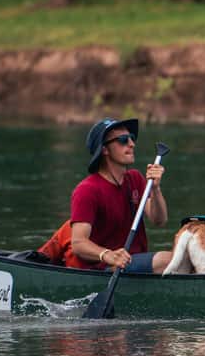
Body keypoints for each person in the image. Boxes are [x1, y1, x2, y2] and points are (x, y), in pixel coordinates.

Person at [70, 117, 172, 273]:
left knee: (184, 257)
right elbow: (78, 243)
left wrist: (156, 189)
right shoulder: (87, 190)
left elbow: (159, 220)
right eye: (123, 140)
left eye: (131, 138)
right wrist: (107, 255)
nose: (132, 144)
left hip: (134, 261)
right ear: (104, 149)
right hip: (105, 268)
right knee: (169, 260)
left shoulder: (135, 179)